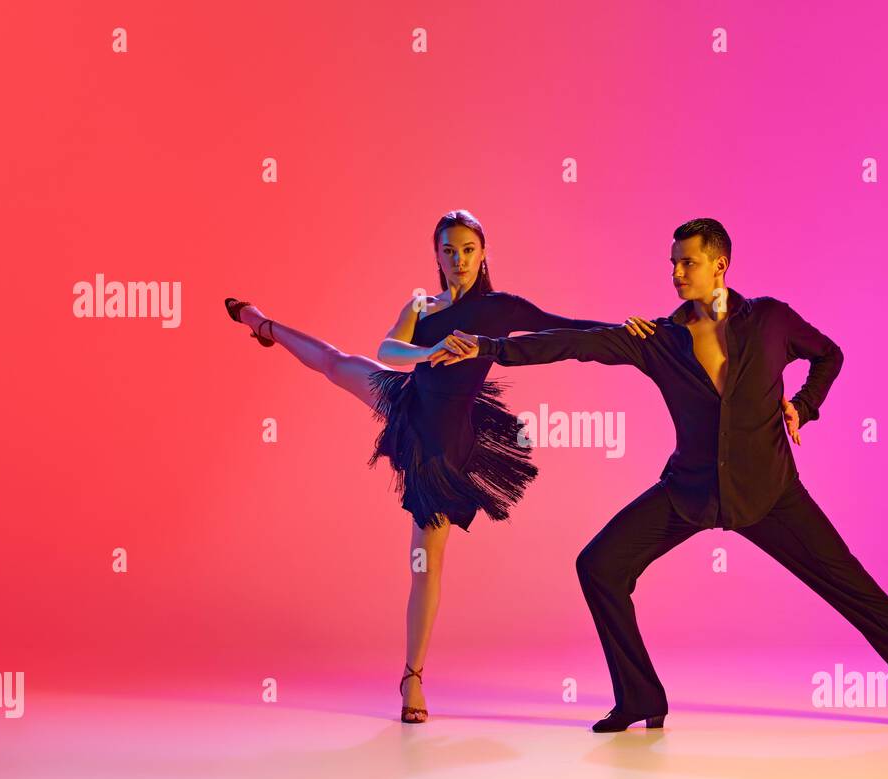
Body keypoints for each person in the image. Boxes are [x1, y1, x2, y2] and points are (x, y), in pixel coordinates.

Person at [437, 217, 888, 734]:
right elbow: (574, 346)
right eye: (673, 263)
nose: (676, 273)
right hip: (689, 493)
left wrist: (803, 407)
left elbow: (830, 355)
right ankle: (641, 698)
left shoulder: (772, 320)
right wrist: (486, 348)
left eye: (687, 262)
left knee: (858, 593)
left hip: (771, 494)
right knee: (599, 566)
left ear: (719, 266)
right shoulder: (655, 339)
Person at [224, 209, 656, 723]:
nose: (459, 260)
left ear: (483, 252)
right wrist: (431, 348)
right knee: (334, 362)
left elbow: (564, 328)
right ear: (436, 255)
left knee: (424, 563)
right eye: (449, 251)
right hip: (406, 399)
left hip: (445, 444)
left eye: (468, 250)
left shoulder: (501, 308)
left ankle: (411, 677)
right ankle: (262, 323)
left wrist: (628, 333)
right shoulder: (422, 303)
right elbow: (387, 348)